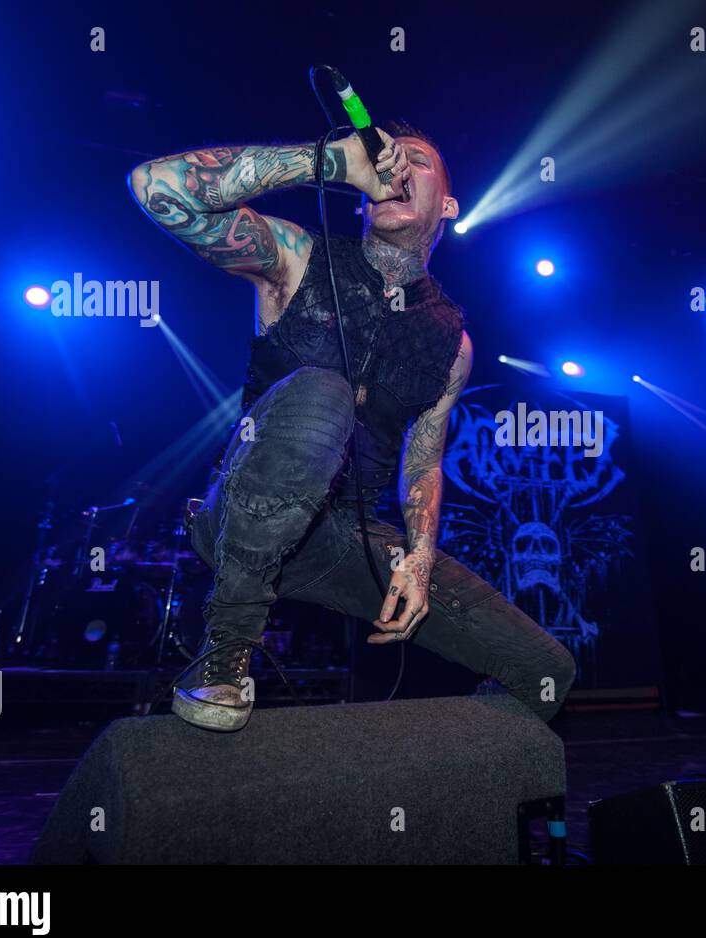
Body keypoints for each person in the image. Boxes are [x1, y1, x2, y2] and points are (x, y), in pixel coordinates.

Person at [129, 121, 575, 730]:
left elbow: (421, 463)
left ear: (446, 204)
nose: (396, 166)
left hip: (350, 537)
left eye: (416, 160)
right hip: (243, 511)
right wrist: (328, 162)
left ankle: (440, 795)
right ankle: (226, 651)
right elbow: (156, 186)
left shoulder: (453, 342)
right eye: (387, 159)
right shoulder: (297, 257)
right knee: (323, 391)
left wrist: (417, 560)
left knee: (547, 671)